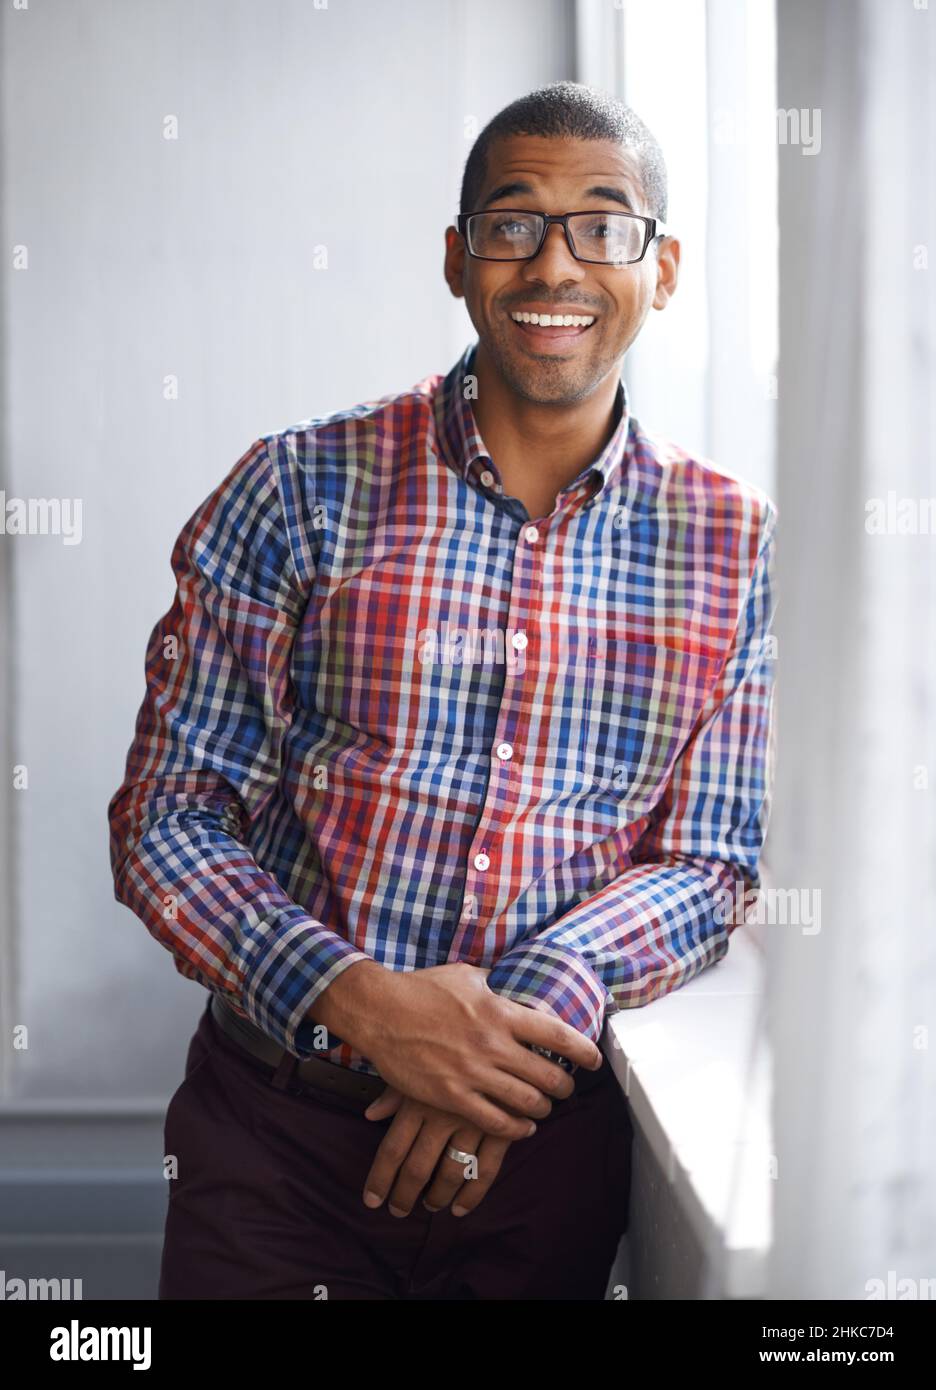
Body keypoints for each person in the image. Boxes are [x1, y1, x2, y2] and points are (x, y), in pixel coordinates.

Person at [107, 80, 777, 1301]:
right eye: (512, 223)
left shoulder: (731, 541)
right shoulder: (299, 486)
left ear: (661, 267)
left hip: (537, 1159)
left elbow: (710, 860)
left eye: (602, 225)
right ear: (458, 260)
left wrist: (514, 1021)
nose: (554, 263)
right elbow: (168, 815)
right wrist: (356, 1002)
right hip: (275, 1146)